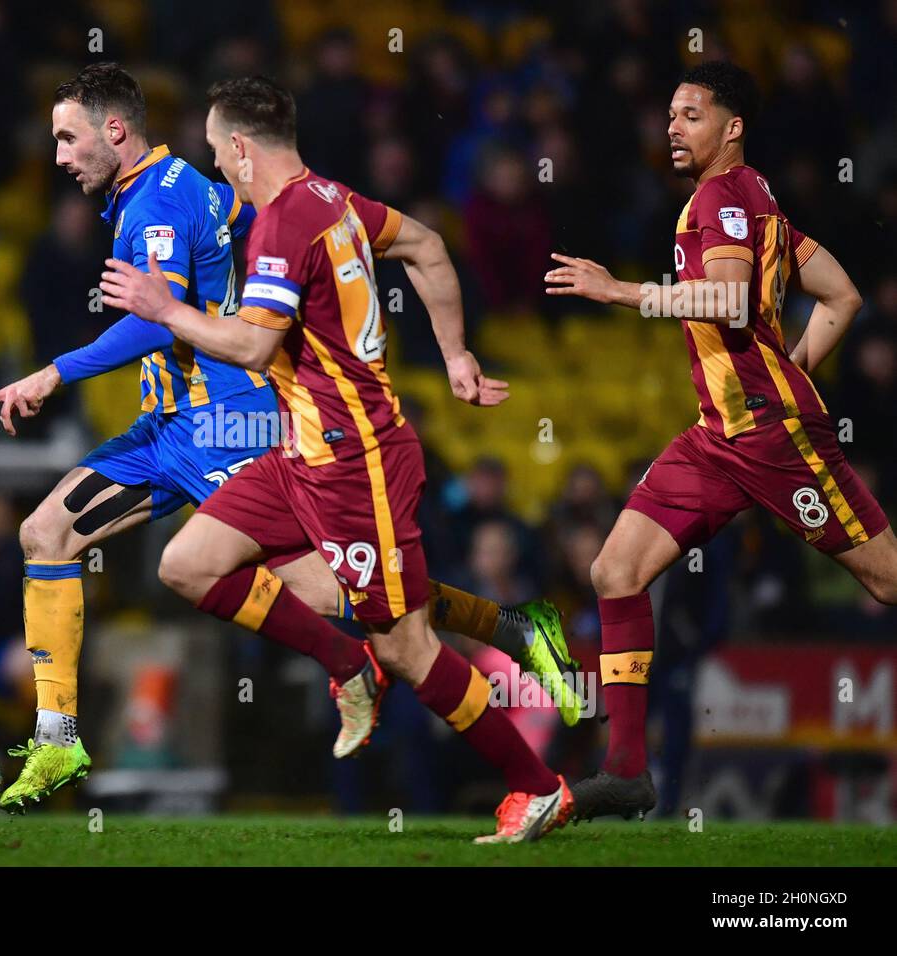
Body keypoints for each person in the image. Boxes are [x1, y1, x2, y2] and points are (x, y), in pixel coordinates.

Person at [101, 75, 576, 843]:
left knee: (407, 644)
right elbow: (426, 245)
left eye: (221, 154)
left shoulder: (284, 224)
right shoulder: (334, 200)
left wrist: (168, 311)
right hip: (301, 454)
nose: (219, 167)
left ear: (243, 148)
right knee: (188, 564)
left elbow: (254, 346)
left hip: (358, 464)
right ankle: (367, 662)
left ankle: (538, 785)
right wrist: (454, 354)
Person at [544, 61, 897, 820]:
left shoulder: (723, 195)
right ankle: (629, 772)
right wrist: (792, 366)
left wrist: (621, 291)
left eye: (691, 114)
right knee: (615, 570)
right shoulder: (757, 197)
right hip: (718, 437)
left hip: (769, 437)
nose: (672, 126)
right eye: (669, 114)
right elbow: (842, 294)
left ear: (731, 127)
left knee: (888, 580)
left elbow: (731, 299)